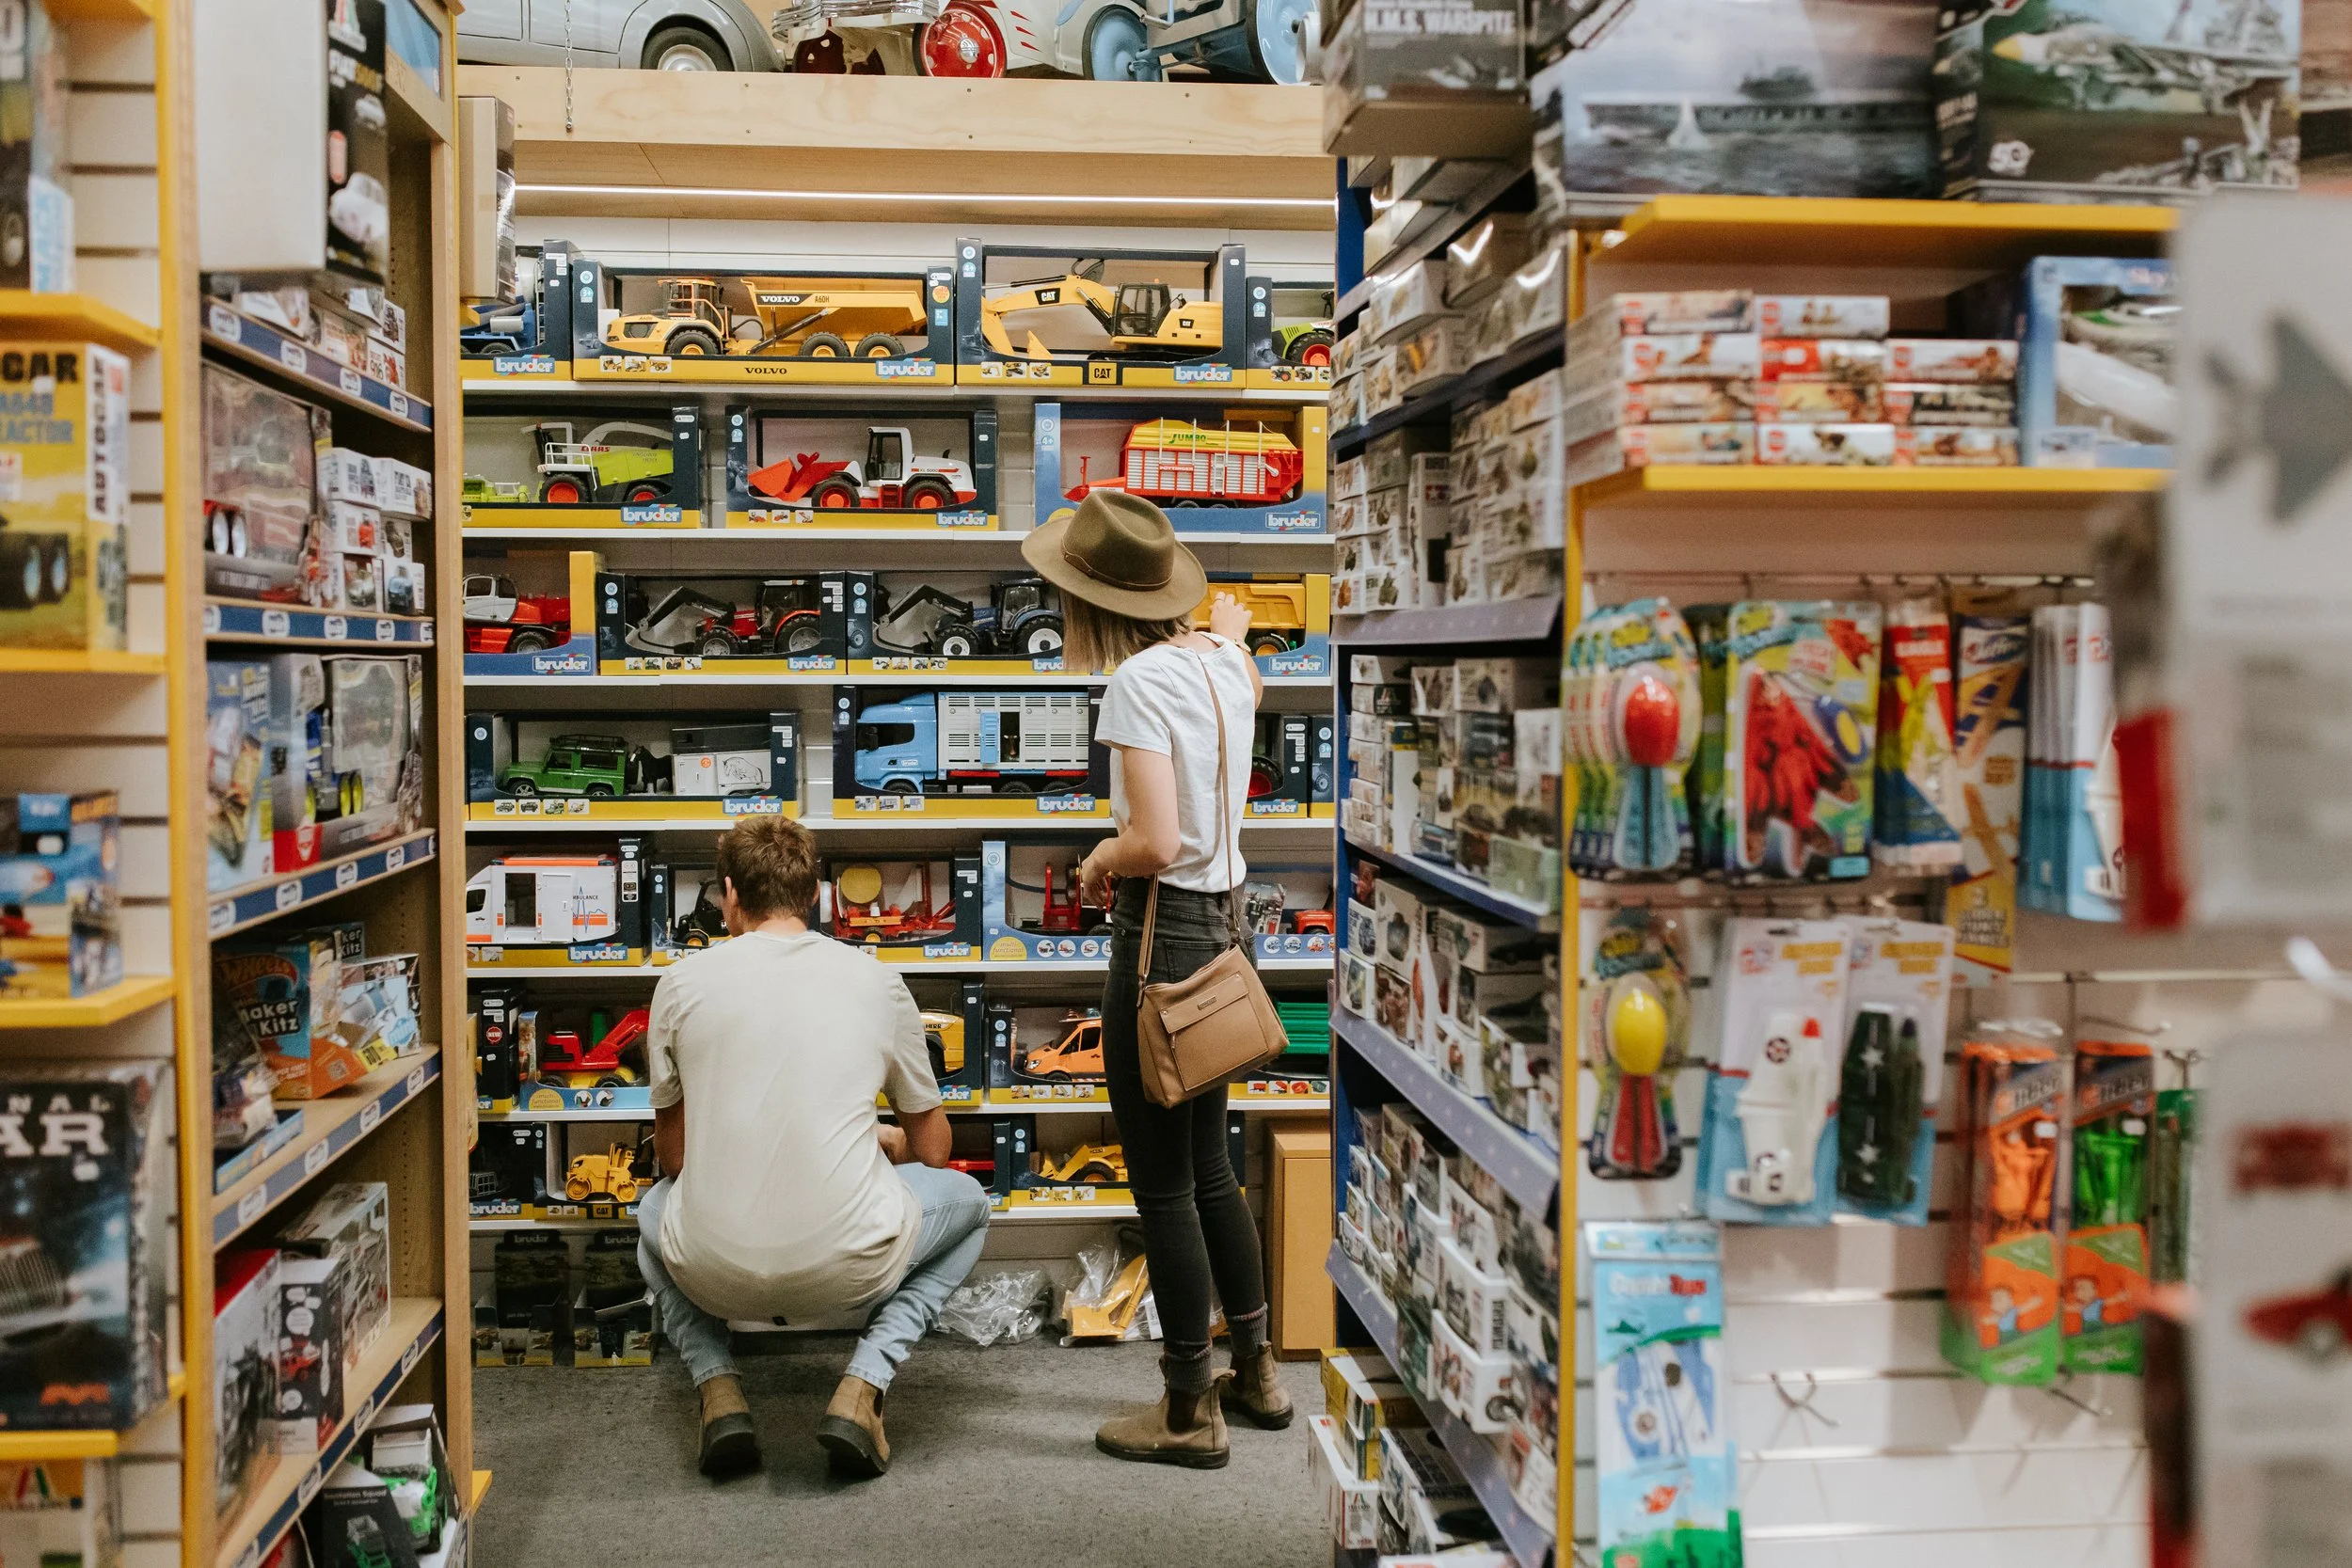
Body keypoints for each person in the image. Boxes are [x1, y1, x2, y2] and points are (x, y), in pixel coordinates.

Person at [1022, 488, 1293, 1469]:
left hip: (1162, 942)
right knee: (1213, 1164)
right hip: (1228, 930)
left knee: (1164, 1183)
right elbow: (1250, 690)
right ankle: (1255, 1371)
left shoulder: (1136, 682)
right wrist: (1231, 631)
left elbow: (1156, 839)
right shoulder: (1222, 661)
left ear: (1091, 599)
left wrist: (1098, 857)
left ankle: (1187, 1406)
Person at [636, 816, 990, 1481]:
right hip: (852, 1266)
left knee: (649, 1215)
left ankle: (718, 1389)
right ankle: (864, 1383)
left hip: (715, 1270)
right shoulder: (877, 981)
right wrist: (880, 1138)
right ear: (817, 896)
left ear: (731, 894)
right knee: (971, 1205)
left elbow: (674, 1160)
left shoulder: (679, 985)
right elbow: (937, 1150)